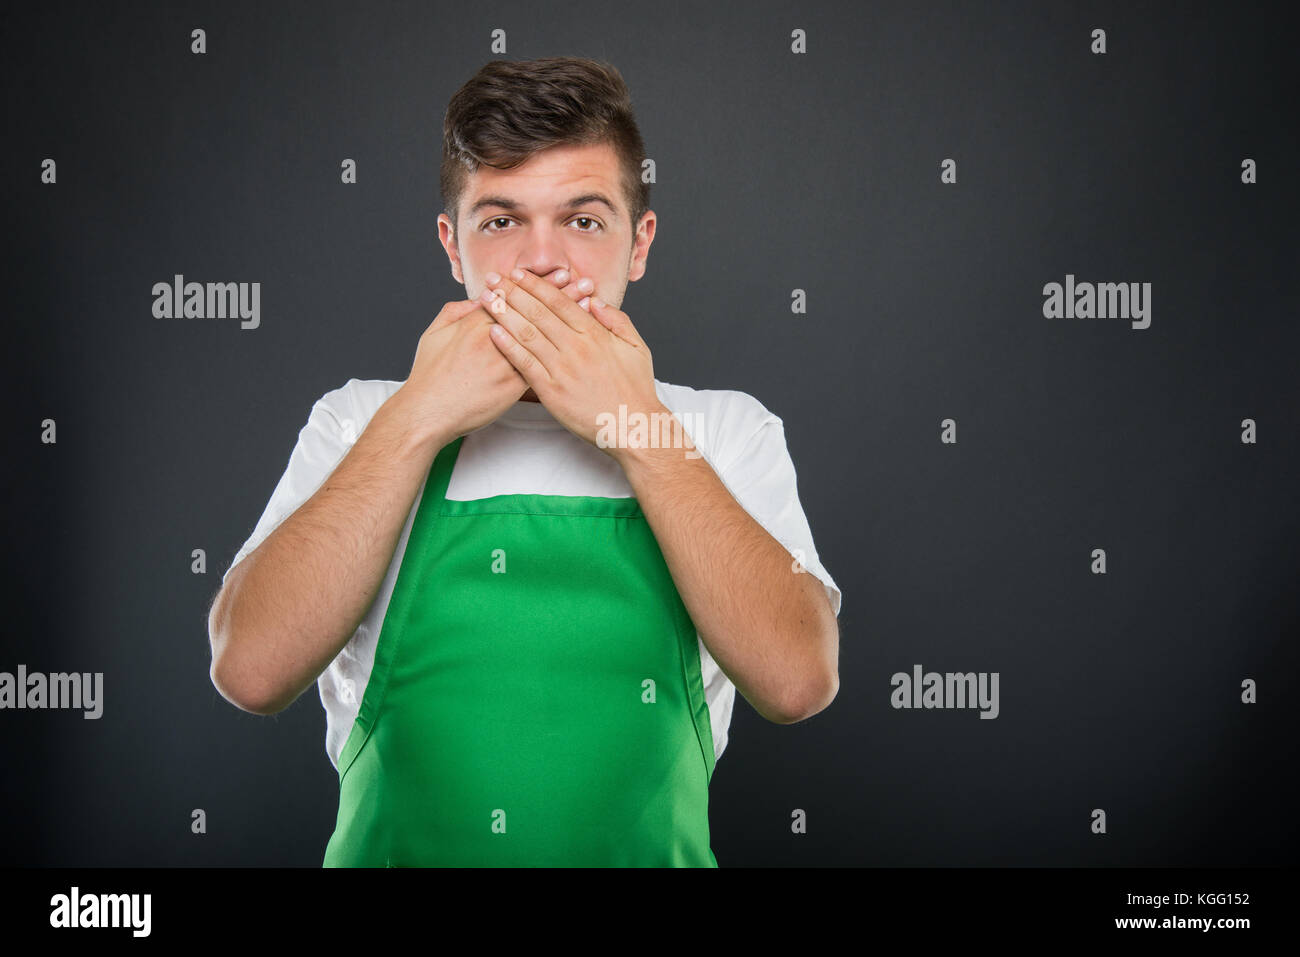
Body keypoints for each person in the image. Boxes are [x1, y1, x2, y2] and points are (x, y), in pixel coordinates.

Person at [207, 56, 842, 867]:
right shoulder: (360, 419)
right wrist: (418, 417)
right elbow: (250, 668)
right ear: (452, 246)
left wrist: (634, 423)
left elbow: (799, 679)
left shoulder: (721, 429)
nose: (542, 262)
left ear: (638, 243)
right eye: (501, 222)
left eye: (583, 221)